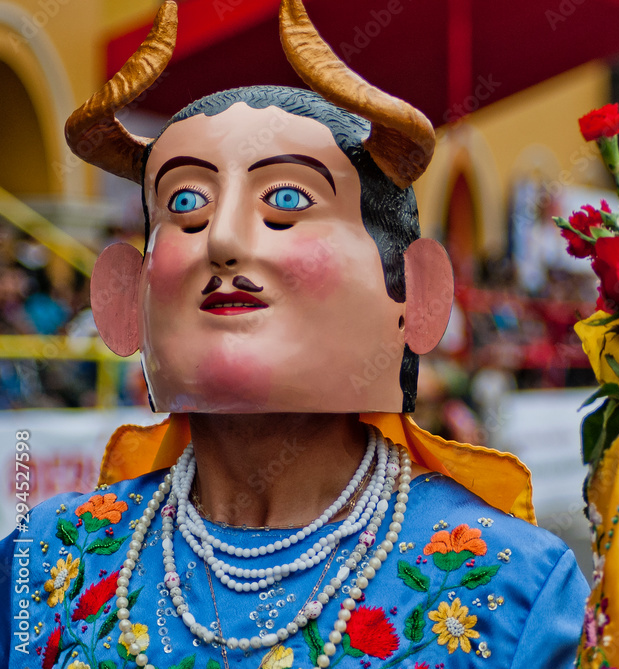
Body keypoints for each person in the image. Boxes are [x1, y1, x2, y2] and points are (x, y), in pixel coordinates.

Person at [0, 3, 588, 668]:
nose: (222, 239)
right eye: (186, 204)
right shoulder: (44, 562)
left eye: (286, 200)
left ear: (416, 295)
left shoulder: (509, 592)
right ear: (121, 297)